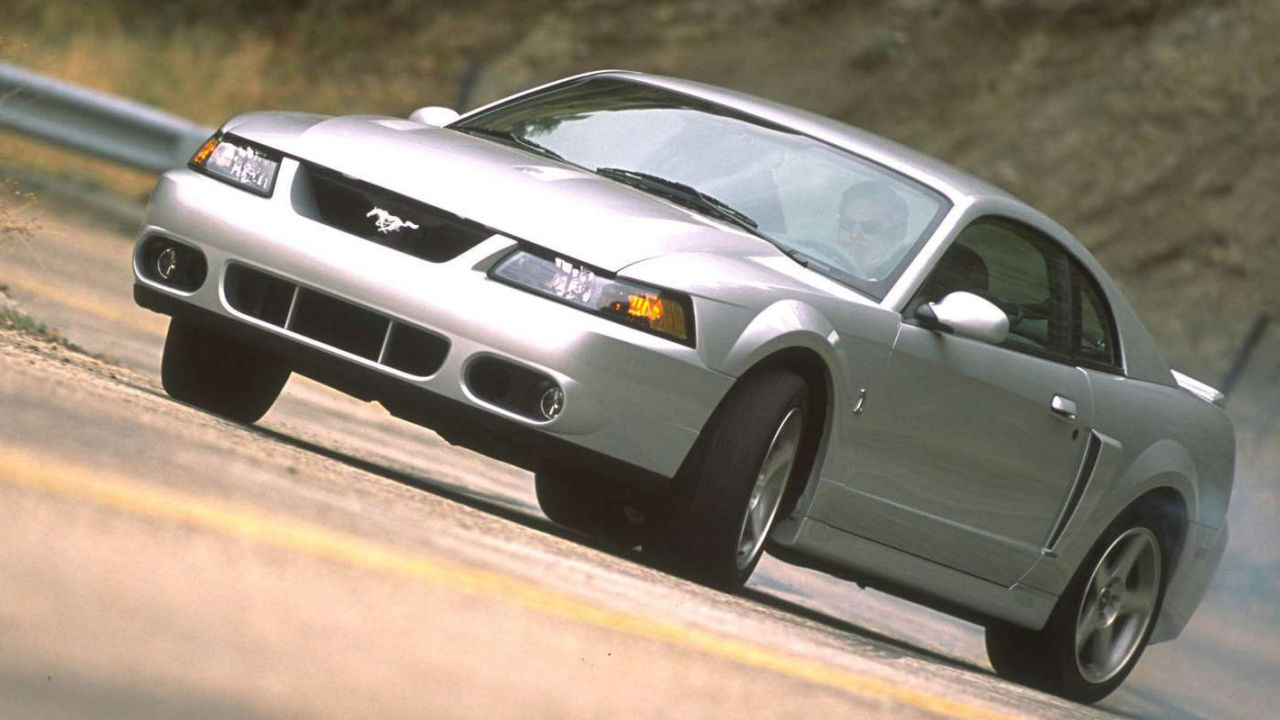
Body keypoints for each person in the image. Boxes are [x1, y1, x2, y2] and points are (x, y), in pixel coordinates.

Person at [834, 181, 909, 280]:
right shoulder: (815, 264)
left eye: (869, 228)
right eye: (847, 224)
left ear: (897, 234)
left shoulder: (901, 283)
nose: (855, 235)